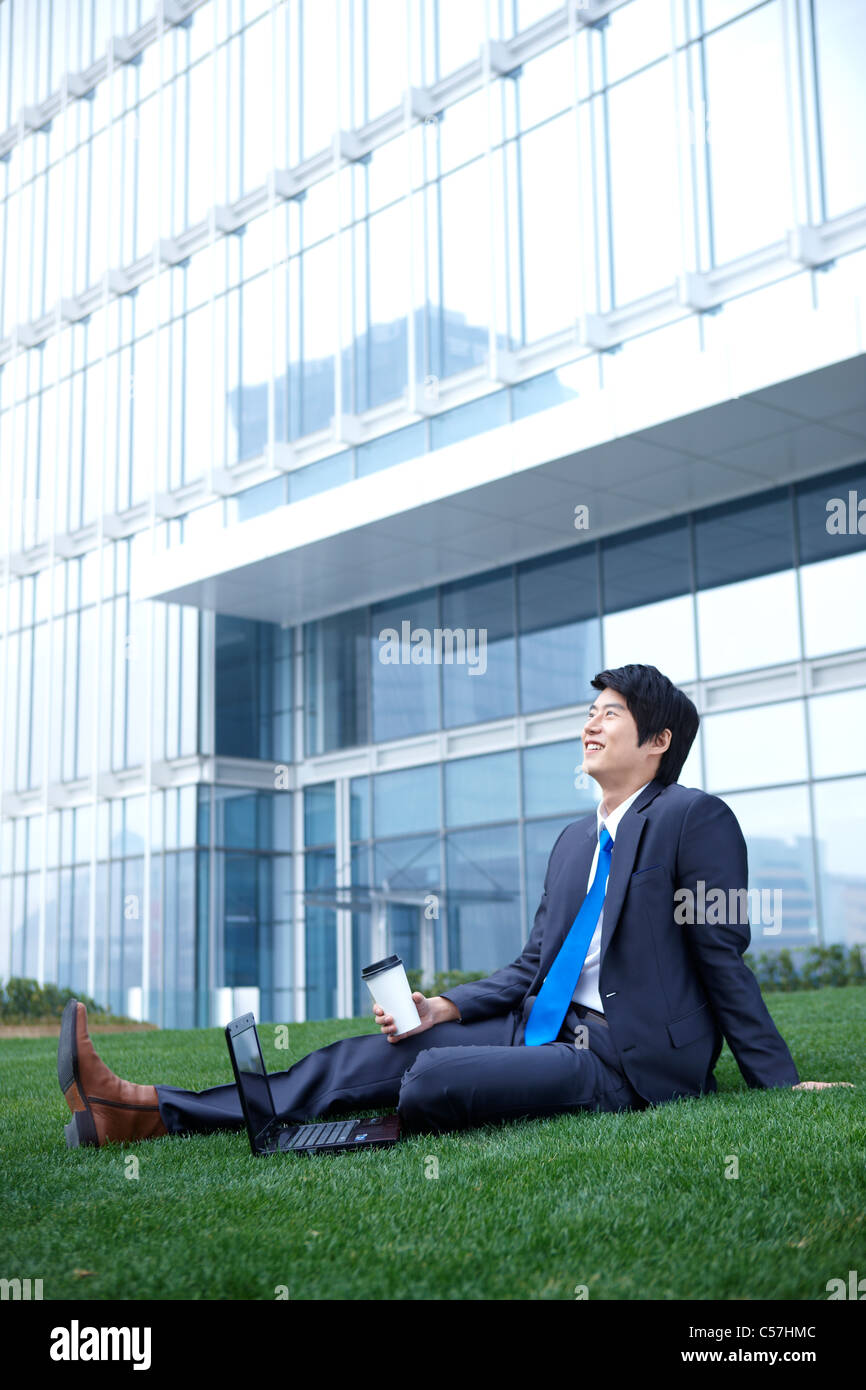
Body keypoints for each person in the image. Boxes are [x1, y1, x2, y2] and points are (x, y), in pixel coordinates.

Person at [58, 663, 850, 1149]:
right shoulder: (577, 839)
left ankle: (360, 1114)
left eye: (610, 713)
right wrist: (443, 1004)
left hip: (621, 1059)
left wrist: (775, 1080)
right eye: (592, 710)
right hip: (536, 1024)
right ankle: (143, 1111)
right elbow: (539, 964)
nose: (590, 723)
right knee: (358, 1059)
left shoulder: (693, 816)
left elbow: (719, 955)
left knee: (433, 1081)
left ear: (659, 741)